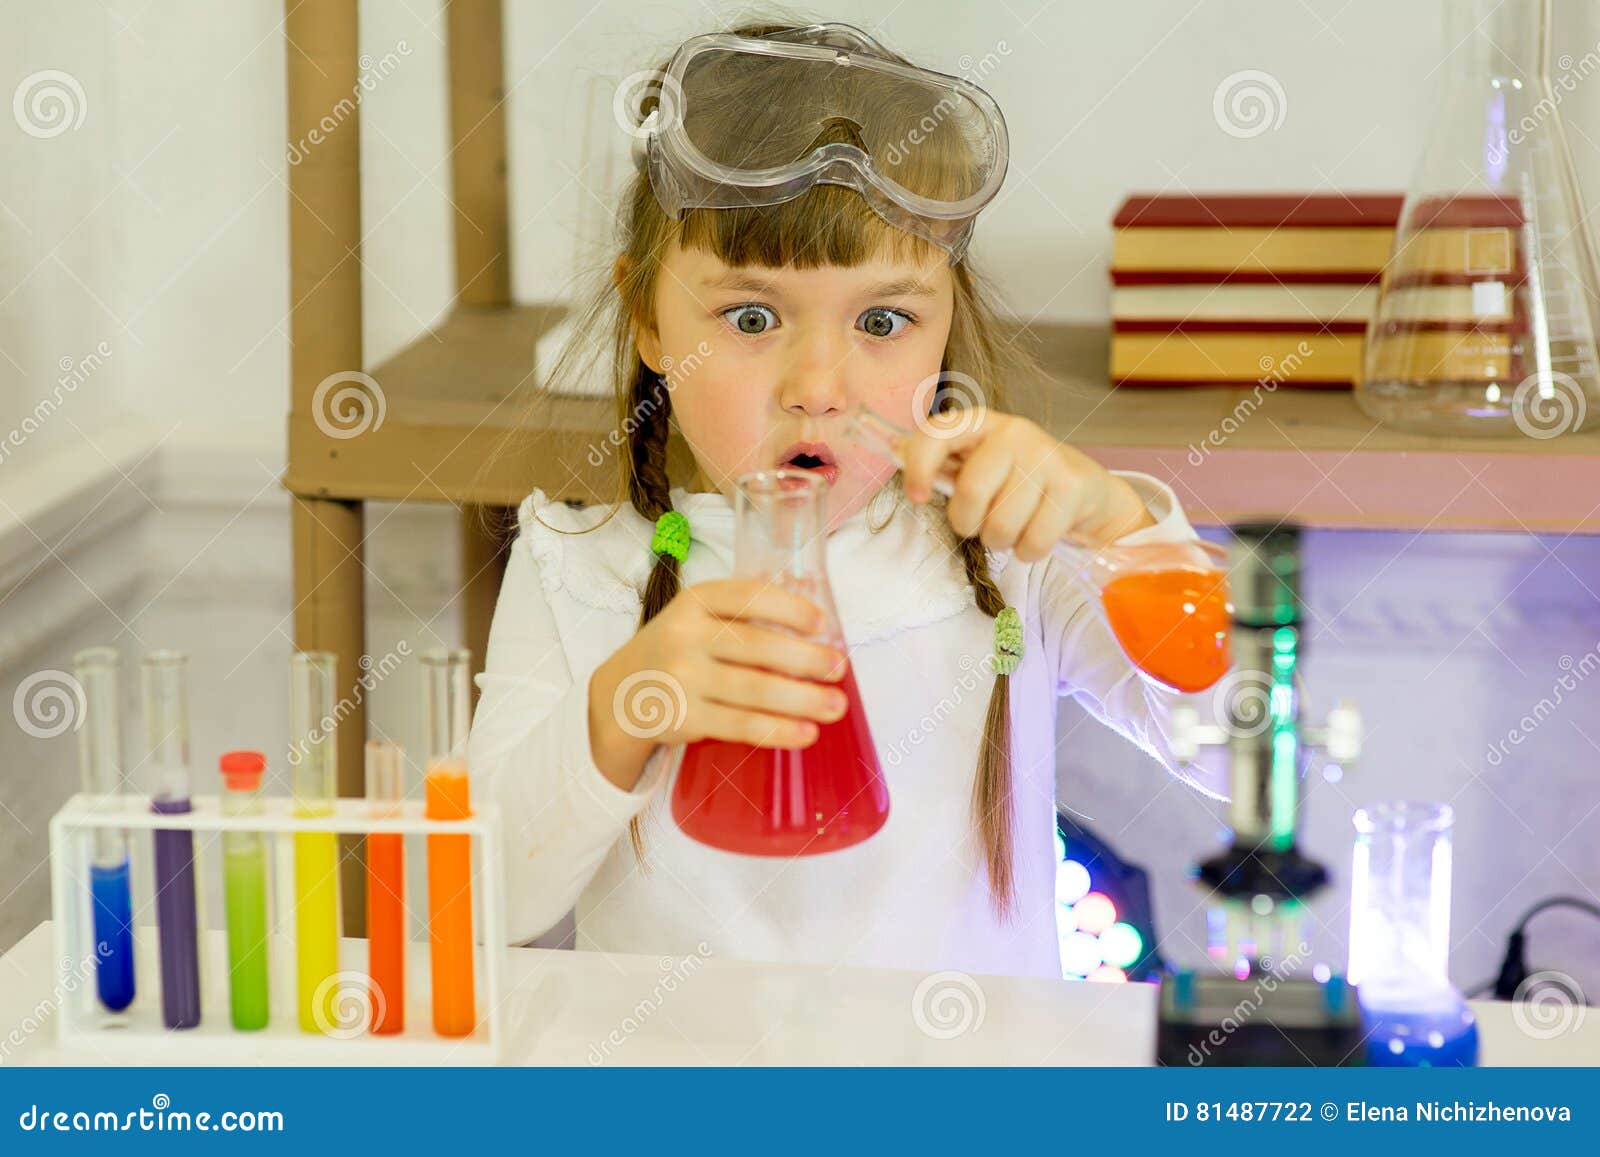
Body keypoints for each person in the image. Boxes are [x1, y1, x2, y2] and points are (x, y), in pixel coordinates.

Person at [467, 21, 1213, 979]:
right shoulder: (575, 565)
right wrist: (626, 705)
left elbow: (1247, 752)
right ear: (650, 319)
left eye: (882, 320)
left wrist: (1119, 529)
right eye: (750, 316)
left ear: (944, 325)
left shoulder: (1011, 553)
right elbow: (476, 906)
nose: (818, 383)